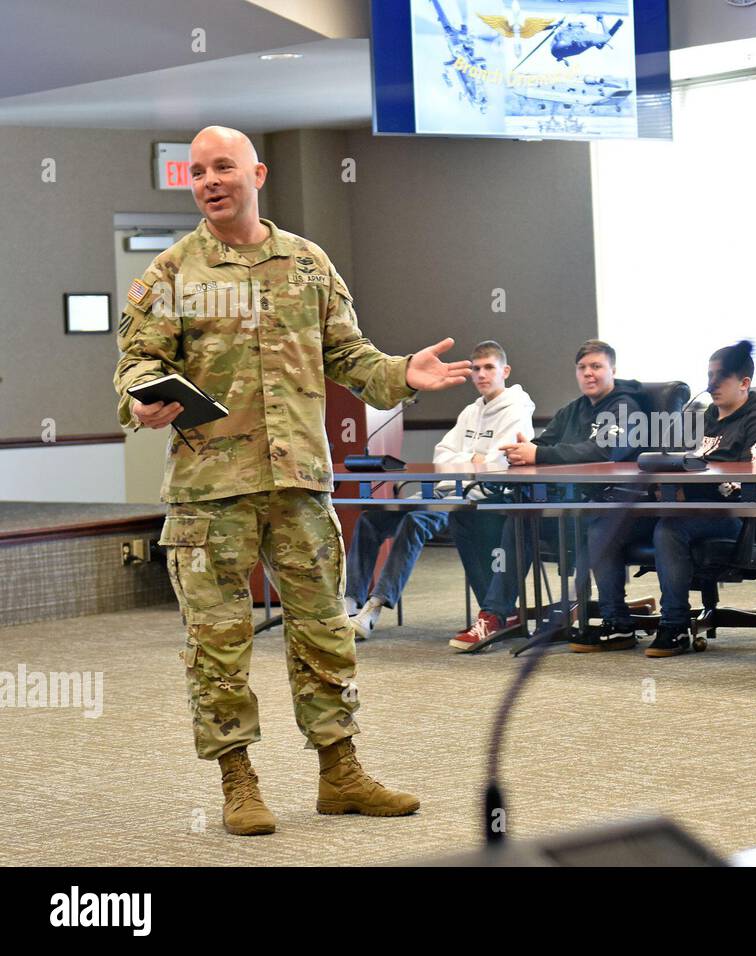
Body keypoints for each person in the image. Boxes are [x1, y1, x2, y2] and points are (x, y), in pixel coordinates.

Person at [112, 126, 471, 836]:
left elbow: (350, 357)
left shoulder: (308, 263)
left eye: (223, 168)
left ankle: (341, 772)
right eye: (198, 172)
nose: (210, 182)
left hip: (300, 485)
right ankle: (238, 782)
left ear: (257, 174)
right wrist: (141, 398)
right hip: (209, 492)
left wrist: (403, 373)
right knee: (218, 642)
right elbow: (137, 364)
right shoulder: (172, 273)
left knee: (324, 630)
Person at [583, 341, 756, 658]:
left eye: (721, 377)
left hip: (730, 517)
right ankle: (617, 622)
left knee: (669, 530)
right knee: (603, 526)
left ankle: (674, 625)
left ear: (744, 383)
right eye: (709, 375)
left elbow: (748, 485)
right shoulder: (703, 420)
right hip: (681, 508)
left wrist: (691, 487)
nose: (712, 384)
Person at [448, 339, 647, 650]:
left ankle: (611, 617)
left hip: (610, 512)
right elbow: (544, 443)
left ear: (613, 370)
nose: (588, 373)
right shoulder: (573, 410)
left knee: (575, 524)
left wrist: (539, 454)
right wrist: (521, 451)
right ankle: (497, 615)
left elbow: (605, 451)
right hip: (569, 510)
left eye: (596, 366)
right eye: (582, 367)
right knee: (520, 519)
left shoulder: (627, 409)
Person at [347, 340, 535, 638]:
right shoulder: (470, 411)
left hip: (477, 497)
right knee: (371, 518)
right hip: (441, 490)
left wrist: (465, 459)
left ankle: (375, 606)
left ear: (505, 371)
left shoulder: (517, 410)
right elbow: (441, 454)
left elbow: (495, 464)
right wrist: (471, 458)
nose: (481, 374)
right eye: (476, 369)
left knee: (415, 521)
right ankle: (350, 603)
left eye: (489, 367)